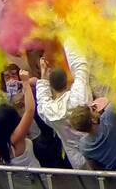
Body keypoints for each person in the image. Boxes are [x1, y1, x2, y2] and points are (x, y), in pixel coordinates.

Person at [35, 41, 94, 169]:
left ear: (52, 86)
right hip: (97, 147)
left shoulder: (49, 112)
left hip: (78, 161)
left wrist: (43, 74)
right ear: (67, 82)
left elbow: (42, 99)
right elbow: (80, 68)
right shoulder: (78, 97)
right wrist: (69, 40)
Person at [0, 72, 40, 167]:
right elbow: (30, 110)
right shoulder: (16, 138)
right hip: (36, 178)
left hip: (19, 179)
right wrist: (26, 82)